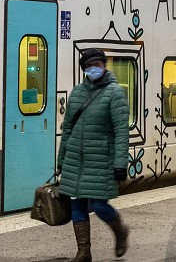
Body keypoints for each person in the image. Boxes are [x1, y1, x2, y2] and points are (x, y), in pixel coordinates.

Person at [57, 49, 130, 262]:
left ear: (104, 65)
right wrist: (61, 160)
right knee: (76, 206)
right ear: (85, 69)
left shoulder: (115, 92)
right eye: (90, 65)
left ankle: (120, 231)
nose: (94, 68)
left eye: (98, 63)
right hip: (75, 161)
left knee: (99, 205)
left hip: (101, 160)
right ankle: (83, 252)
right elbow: (68, 127)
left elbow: (121, 131)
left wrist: (120, 163)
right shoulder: (78, 92)